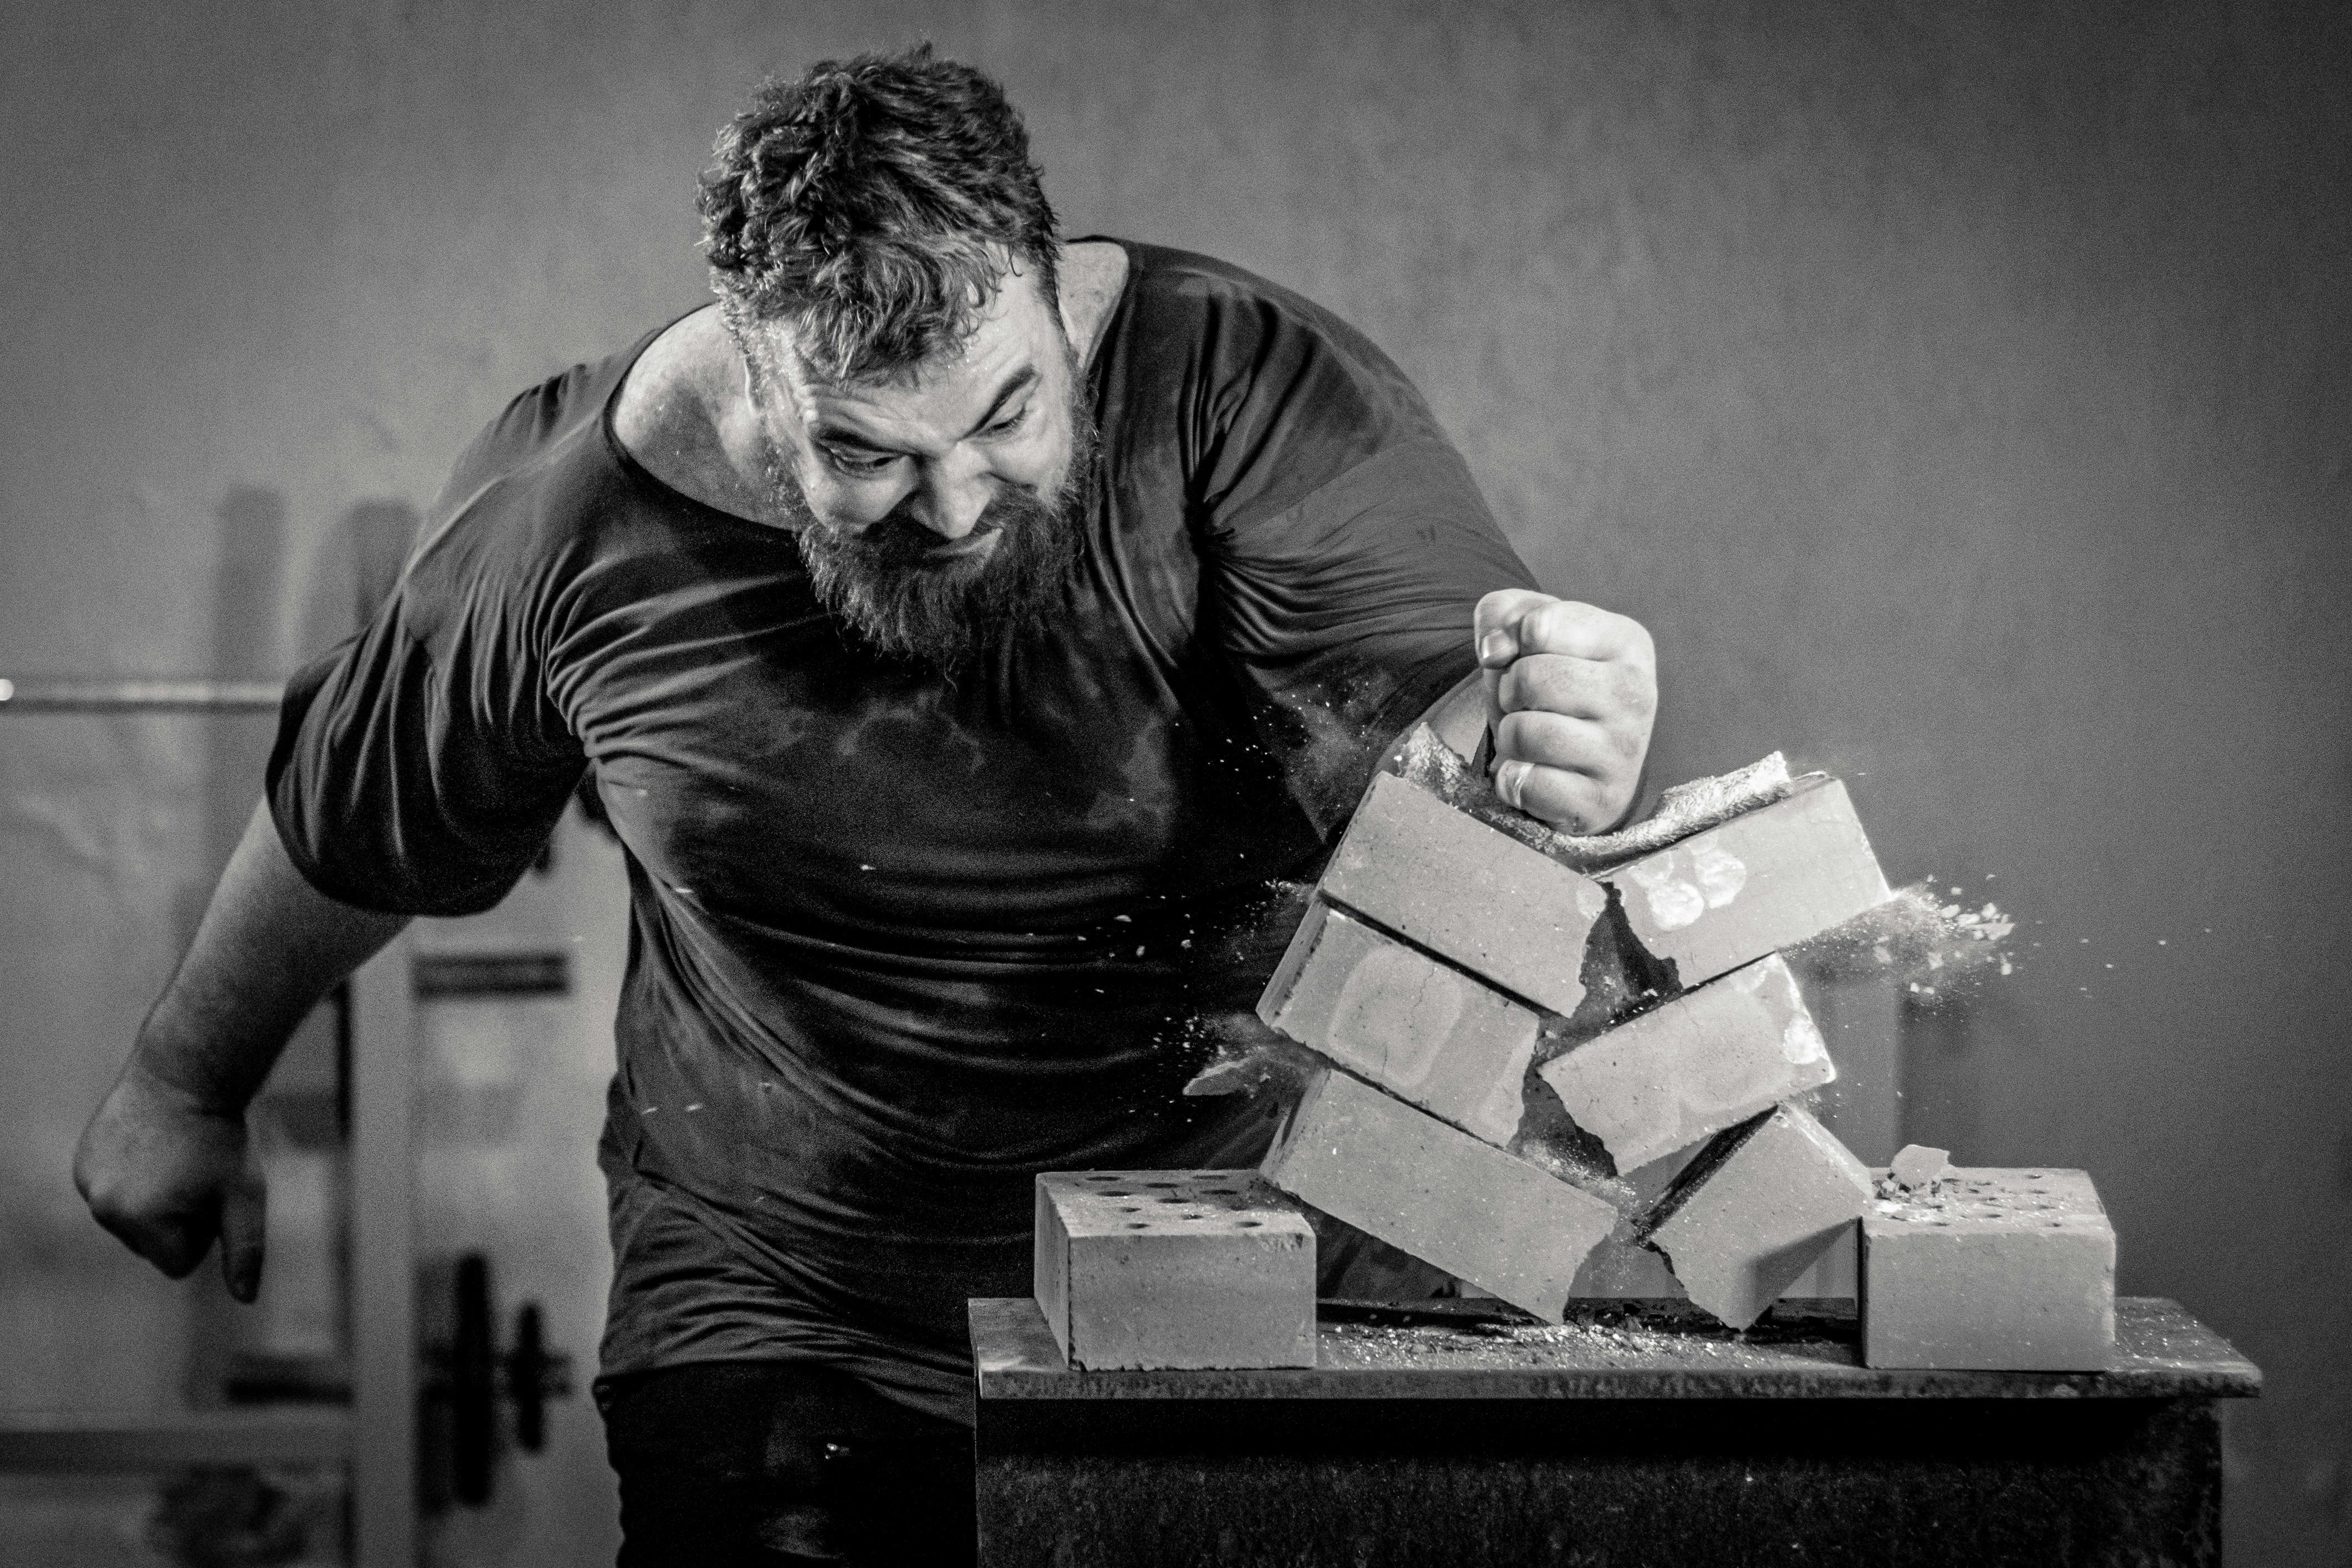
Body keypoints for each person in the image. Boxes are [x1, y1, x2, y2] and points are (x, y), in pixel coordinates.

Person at [74, 44, 1657, 1567]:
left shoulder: (1242, 389)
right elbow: (362, 815)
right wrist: (183, 1077)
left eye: (1007, 416)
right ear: (754, 374)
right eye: (869, 455)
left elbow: (1440, 715)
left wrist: (1544, 730)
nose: (959, 501)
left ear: (1056, 296)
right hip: (779, 1288)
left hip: (1225, 1240)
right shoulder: (565, 521)